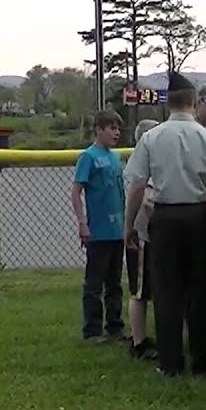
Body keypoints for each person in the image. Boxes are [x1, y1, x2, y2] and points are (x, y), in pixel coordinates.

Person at [123, 72, 206, 377]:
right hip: (201, 218)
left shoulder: (151, 138)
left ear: (169, 103)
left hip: (165, 219)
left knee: (167, 291)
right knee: (202, 290)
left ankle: (170, 362)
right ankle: (201, 358)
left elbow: (136, 186)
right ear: (192, 102)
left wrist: (130, 226)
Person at [71, 109, 127, 344]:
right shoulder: (89, 157)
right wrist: (83, 224)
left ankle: (115, 325)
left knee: (115, 282)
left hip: (118, 230)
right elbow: (76, 191)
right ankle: (92, 330)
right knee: (95, 282)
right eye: (112, 128)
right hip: (99, 230)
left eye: (118, 128)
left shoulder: (115, 157)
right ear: (99, 130)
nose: (116, 133)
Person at [124, 118, 161, 361]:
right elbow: (144, 200)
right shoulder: (139, 165)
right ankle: (138, 341)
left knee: (158, 289)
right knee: (140, 291)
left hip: (158, 237)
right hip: (142, 236)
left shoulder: (156, 163)